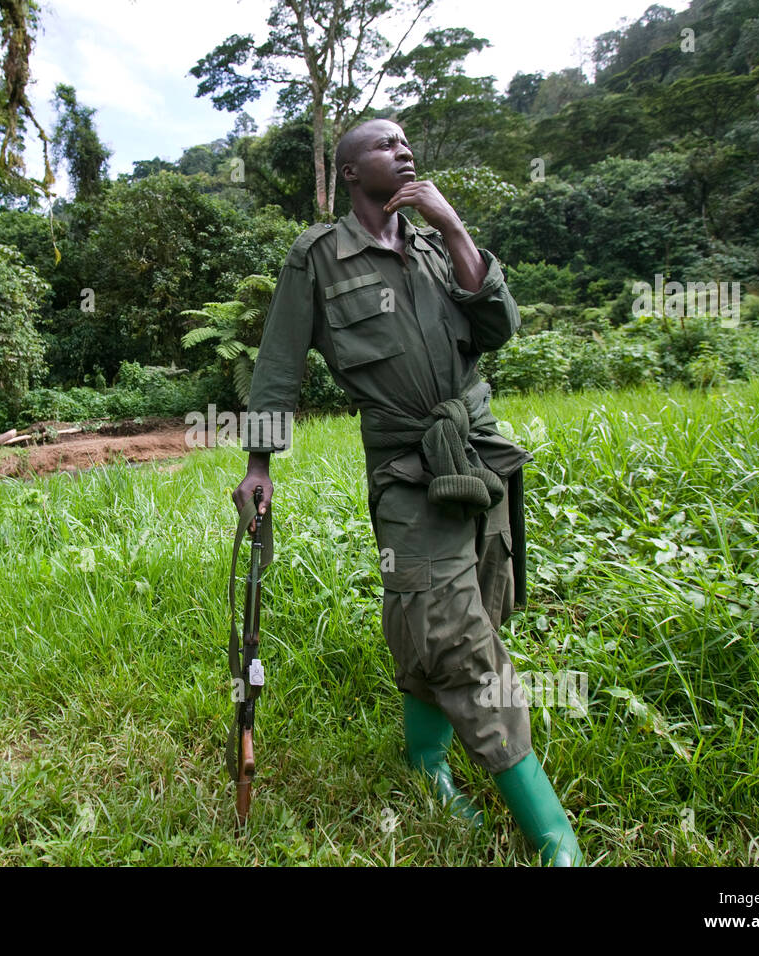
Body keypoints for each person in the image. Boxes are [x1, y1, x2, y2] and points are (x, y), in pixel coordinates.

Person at [231, 118, 583, 865]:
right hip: (404, 469)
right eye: (384, 144)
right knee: (452, 634)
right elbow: (279, 363)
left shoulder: (431, 244)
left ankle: (425, 765)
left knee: (474, 612)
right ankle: (553, 834)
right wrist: (260, 463)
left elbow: (499, 328)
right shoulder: (319, 256)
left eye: (406, 142)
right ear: (351, 173)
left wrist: (454, 227)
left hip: (478, 453)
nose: (404, 150)